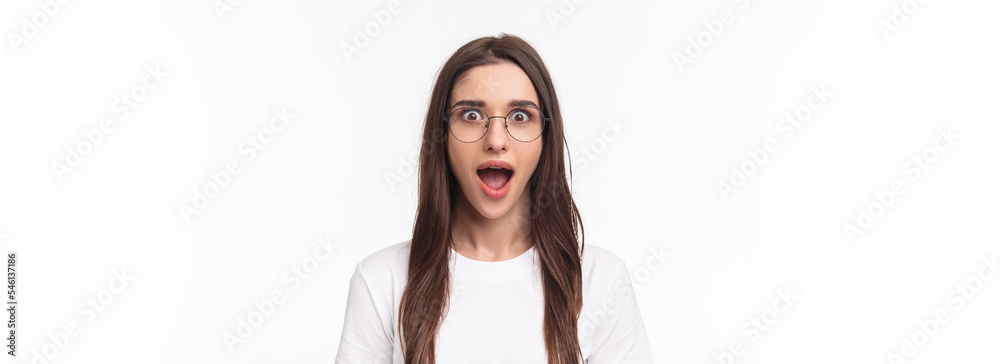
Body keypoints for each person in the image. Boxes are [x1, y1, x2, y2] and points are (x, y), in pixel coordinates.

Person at [335, 33, 654, 364]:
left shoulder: (600, 279)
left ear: (546, 138)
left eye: (520, 116)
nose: (496, 140)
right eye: (471, 115)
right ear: (442, 136)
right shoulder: (381, 280)